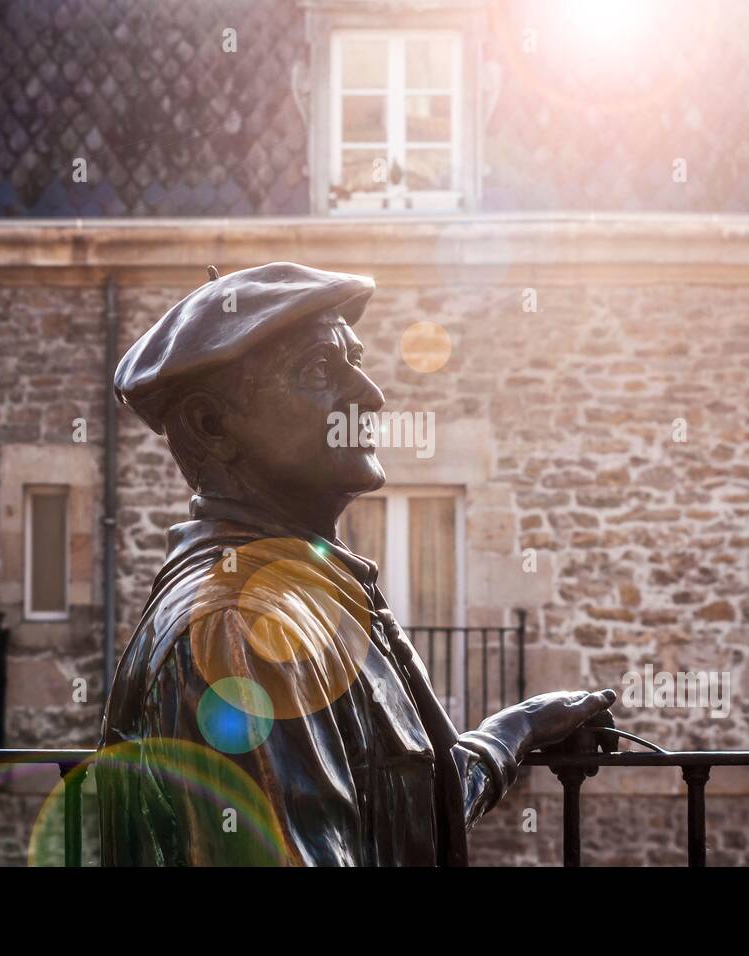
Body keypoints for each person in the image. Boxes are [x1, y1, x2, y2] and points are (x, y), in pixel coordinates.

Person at [98, 261, 615, 865]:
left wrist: (513, 732)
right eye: (318, 370)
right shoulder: (240, 626)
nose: (369, 396)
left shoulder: (300, 594)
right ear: (211, 425)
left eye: (356, 361)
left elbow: (402, 815)